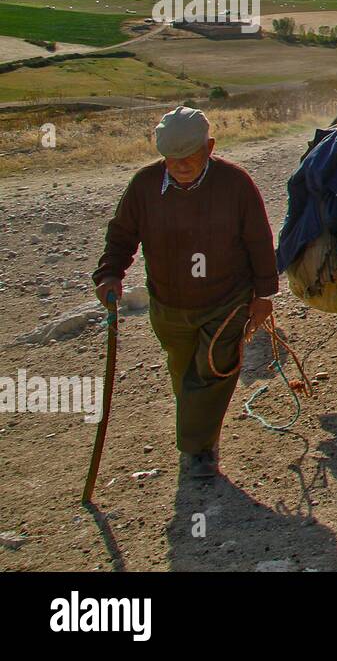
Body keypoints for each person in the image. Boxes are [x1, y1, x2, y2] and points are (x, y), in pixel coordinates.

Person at [93, 106, 277, 479]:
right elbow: (122, 234)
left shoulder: (235, 184)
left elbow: (259, 239)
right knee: (183, 373)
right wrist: (110, 273)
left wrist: (264, 295)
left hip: (226, 300)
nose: (178, 165)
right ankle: (201, 432)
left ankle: (197, 451)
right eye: (171, 157)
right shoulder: (144, 186)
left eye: (188, 155)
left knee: (213, 370)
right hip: (169, 304)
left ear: (210, 147)